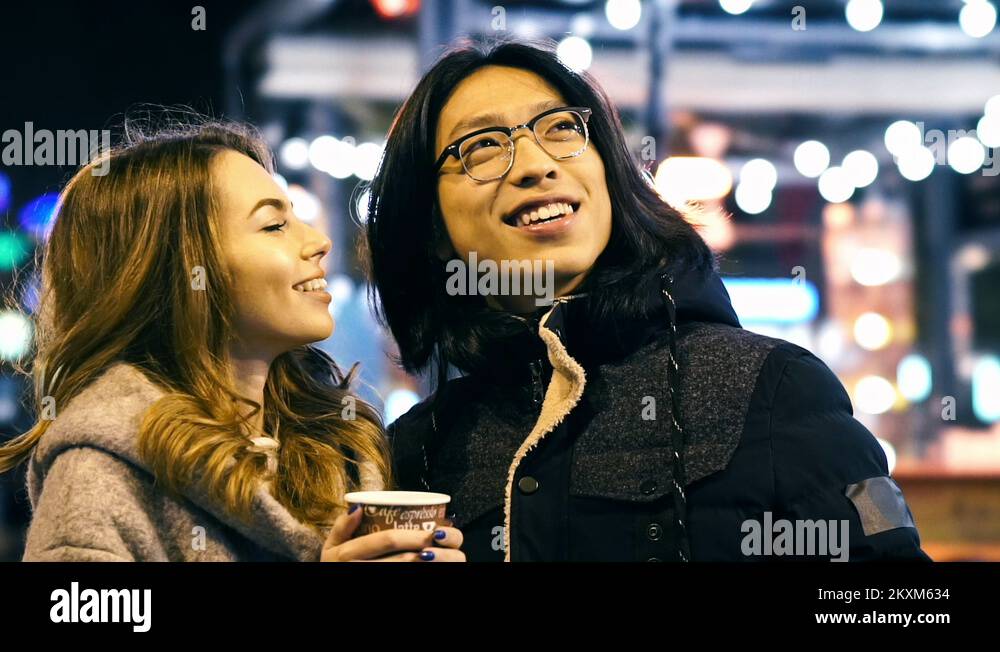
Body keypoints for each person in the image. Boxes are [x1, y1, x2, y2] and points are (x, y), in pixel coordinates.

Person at [364, 38, 931, 562]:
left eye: (560, 128)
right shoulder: (418, 447)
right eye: (483, 146)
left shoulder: (770, 388)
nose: (537, 164)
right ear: (432, 228)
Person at [0, 117, 464, 562]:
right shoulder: (98, 472)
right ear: (182, 270)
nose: (320, 241)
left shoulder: (340, 448)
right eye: (274, 225)